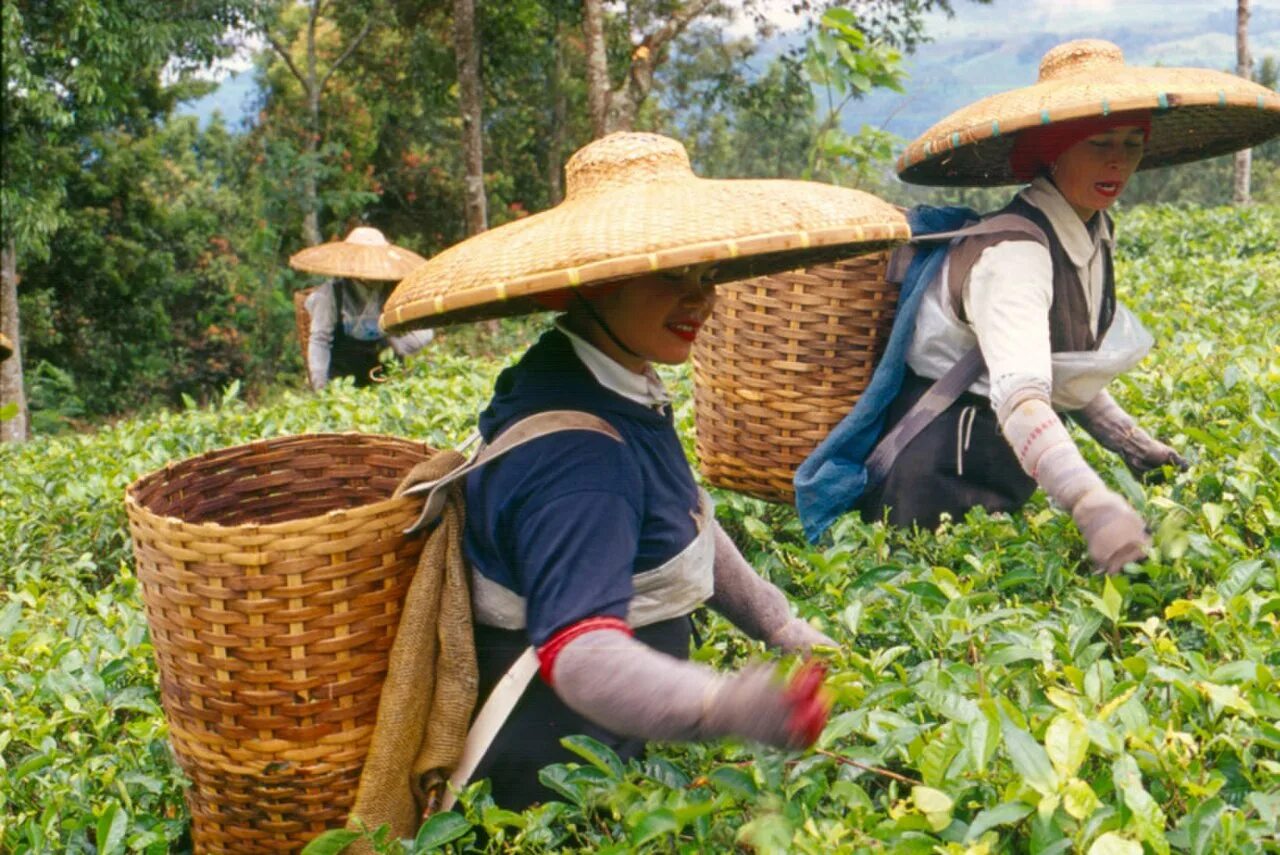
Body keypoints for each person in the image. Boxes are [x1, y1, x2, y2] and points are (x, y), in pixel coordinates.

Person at [381, 131, 911, 809]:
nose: (700, 300)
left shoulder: (599, 377)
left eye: (705, 274)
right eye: (669, 274)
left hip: (609, 759)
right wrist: (730, 702)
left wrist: (779, 625)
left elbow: (684, 515)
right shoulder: (580, 463)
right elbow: (583, 657)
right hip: (547, 794)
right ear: (593, 283)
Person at [855, 39, 1280, 573]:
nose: (1118, 160)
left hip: (999, 460)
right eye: (1098, 141)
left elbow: (1055, 365)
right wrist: (1091, 503)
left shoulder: (1090, 229)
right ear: (1053, 149)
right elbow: (1022, 397)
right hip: (938, 476)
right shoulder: (1014, 255)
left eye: (1131, 141)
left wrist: (1134, 445)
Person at [288, 226, 434, 390]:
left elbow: (425, 332)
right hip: (343, 379)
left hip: (387, 376)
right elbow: (320, 340)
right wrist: (320, 386)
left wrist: (395, 340)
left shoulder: (394, 290)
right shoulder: (331, 294)